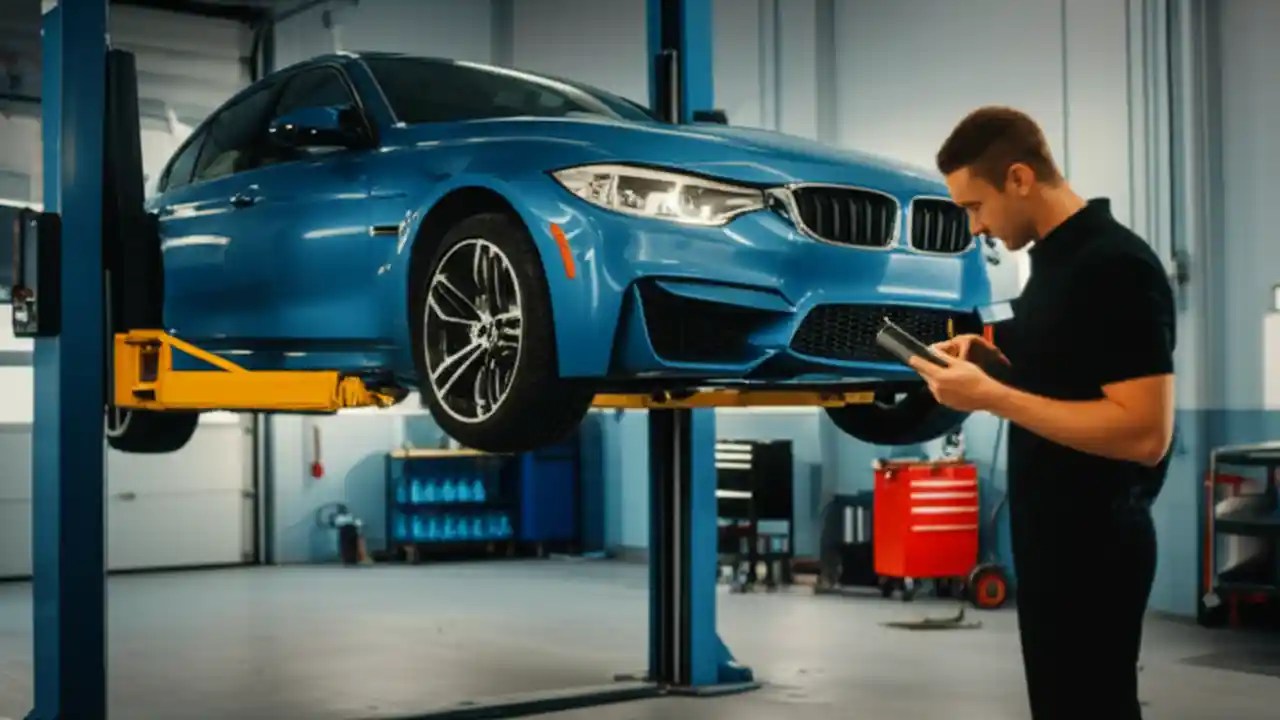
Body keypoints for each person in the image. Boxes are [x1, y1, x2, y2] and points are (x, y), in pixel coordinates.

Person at [908, 106, 1176, 720]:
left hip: (1097, 548)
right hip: (1052, 541)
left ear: (1020, 178)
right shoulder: (1052, 266)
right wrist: (991, 360)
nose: (975, 228)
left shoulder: (1115, 266)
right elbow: (1065, 382)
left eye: (976, 208)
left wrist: (992, 397)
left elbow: (1144, 432)